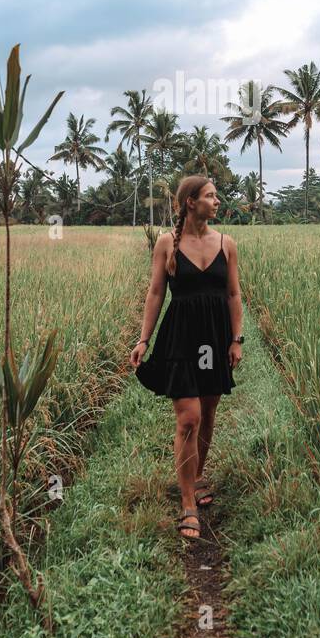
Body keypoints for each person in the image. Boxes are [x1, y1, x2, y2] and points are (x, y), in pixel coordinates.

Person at [130, 175, 243, 542]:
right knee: (189, 418)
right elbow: (155, 293)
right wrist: (144, 340)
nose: (217, 201)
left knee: (208, 414)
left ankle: (192, 480)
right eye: (211, 196)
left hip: (214, 340)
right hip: (181, 338)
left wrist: (236, 340)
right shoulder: (167, 243)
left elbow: (233, 295)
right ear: (190, 202)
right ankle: (187, 503)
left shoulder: (226, 243)